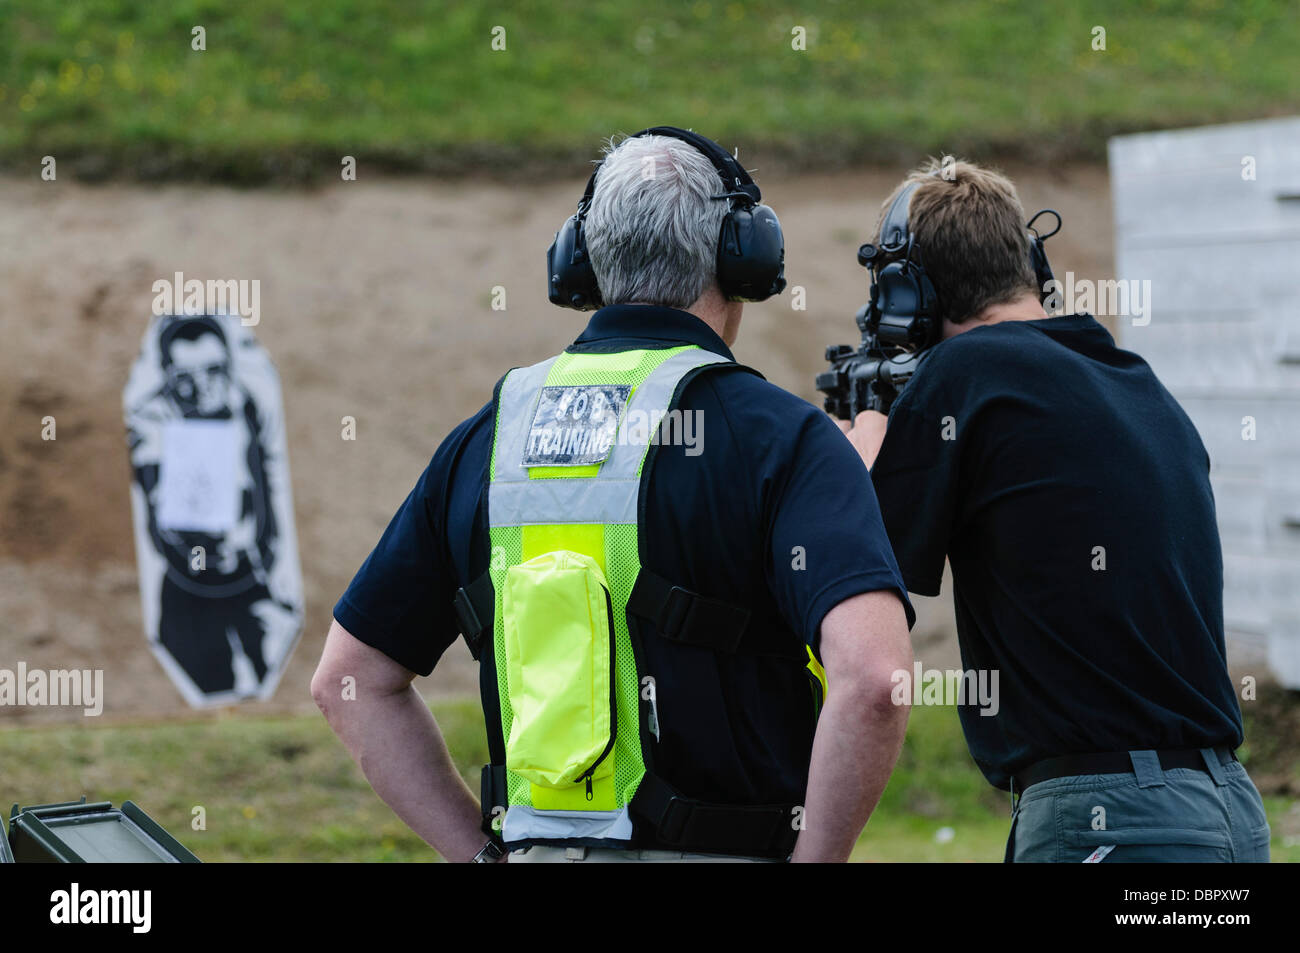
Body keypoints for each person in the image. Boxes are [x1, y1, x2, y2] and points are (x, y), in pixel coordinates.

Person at [313, 127, 914, 863]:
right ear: (742, 256)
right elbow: (877, 678)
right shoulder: (782, 440)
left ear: (582, 261)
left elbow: (350, 680)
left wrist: (480, 853)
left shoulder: (486, 438)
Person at [837, 158, 1270, 862]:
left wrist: (858, 458)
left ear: (907, 293)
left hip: (1109, 820)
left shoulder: (965, 374)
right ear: (1031, 264)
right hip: (1224, 810)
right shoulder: (1133, 379)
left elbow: (860, 561)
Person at [127, 315, 281, 696]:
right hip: (192, 586)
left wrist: (260, 552)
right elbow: (165, 517)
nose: (202, 387)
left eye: (213, 370)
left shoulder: (247, 406)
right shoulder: (152, 423)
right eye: (185, 377)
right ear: (166, 374)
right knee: (211, 678)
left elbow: (266, 488)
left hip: (250, 574)